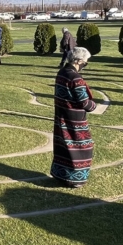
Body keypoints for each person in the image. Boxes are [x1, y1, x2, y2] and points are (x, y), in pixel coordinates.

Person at [51, 47, 97, 188]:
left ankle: (61, 175)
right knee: (82, 148)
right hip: (75, 121)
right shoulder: (75, 78)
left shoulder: (62, 72)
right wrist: (94, 105)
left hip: (61, 117)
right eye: (85, 63)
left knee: (63, 146)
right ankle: (75, 180)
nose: (84, 66)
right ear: (77, 61)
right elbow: (84, 102)